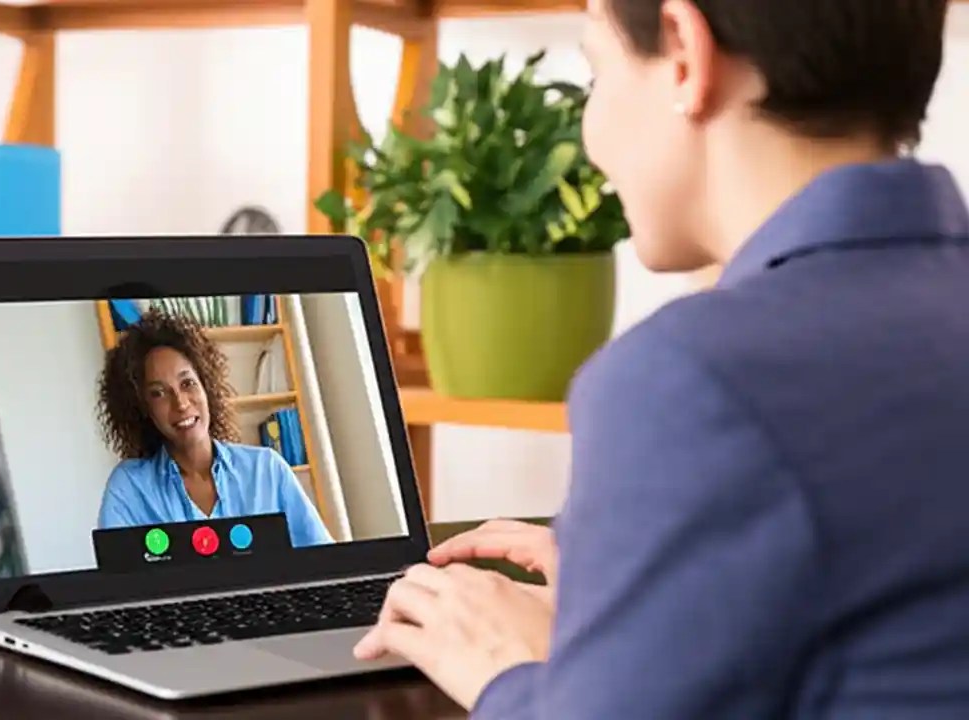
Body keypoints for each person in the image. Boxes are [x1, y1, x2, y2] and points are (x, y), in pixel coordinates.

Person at [354, 1, 969, 717]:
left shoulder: (693, 378)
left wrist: (507, 671)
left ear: (683, 53)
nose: (590, 141)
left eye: (597, 72)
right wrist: (651, 593)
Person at [94, 308, 333, 549]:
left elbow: (323, 559)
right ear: (143, 407)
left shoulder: (267, 470)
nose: (181, 403)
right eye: (158, 393)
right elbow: (120, 572)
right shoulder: (130, 488)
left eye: (188, 383)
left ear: (206, 387)